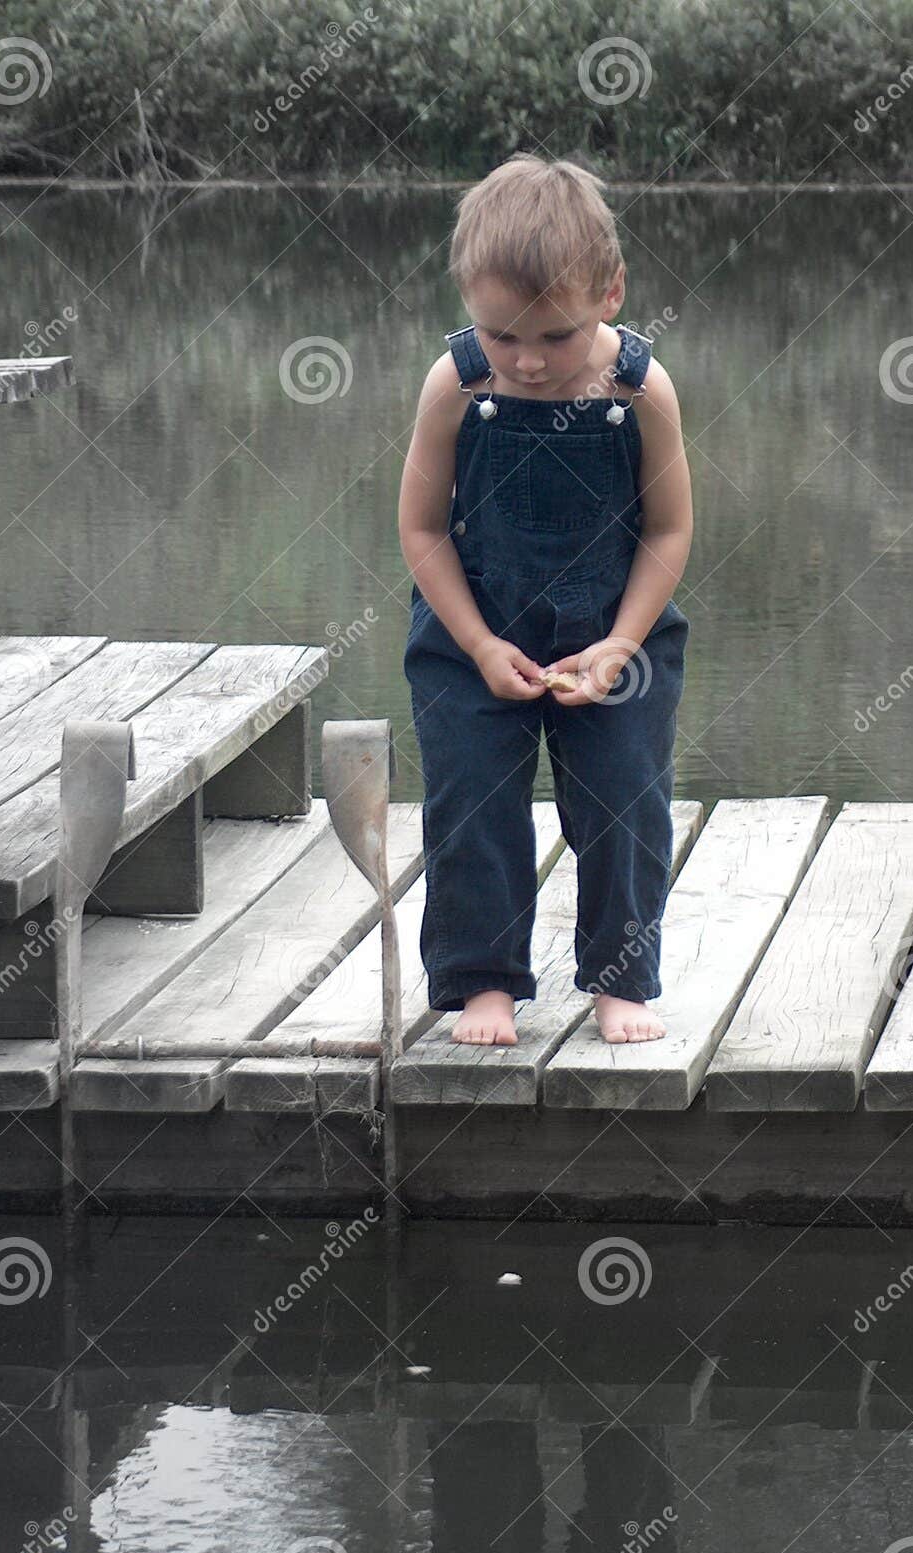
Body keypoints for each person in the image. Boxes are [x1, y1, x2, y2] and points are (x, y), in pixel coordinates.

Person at [398, 153, 692, 1049]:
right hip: (472, 629)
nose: (527, 361)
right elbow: (422, 529)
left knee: (625, 798)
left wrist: (620, 644)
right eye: (502, 335)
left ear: (612, 291)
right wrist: (480, 644)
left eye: (555, 337)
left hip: (615, 628)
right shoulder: (458, 385)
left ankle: (619, 978)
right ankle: (483, 981)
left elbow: (668, 532)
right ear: (467, 303)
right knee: (471, 799)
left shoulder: (639, 390)